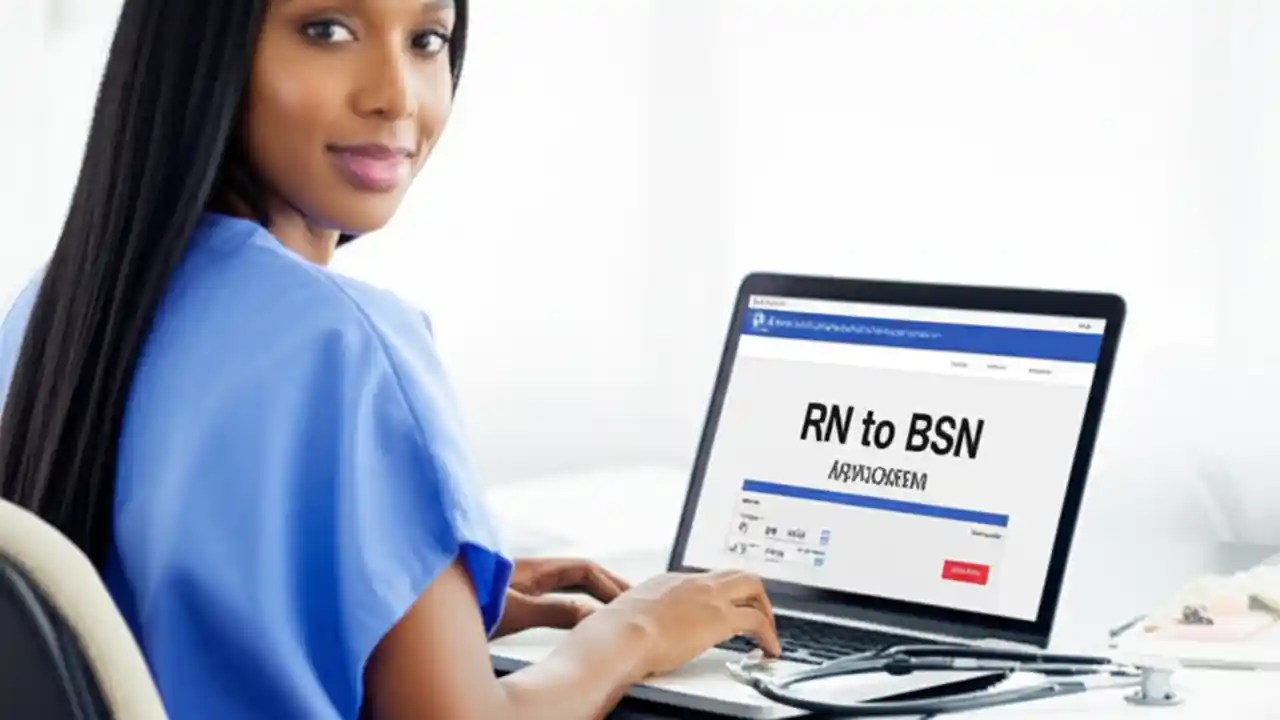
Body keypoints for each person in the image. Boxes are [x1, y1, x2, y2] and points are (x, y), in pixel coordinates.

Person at [0, 1, 780, 718]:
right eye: (327, 30)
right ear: (206, 47)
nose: (395, 95)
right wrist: (634, 632)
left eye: (427, 40)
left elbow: (151, 605)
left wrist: (432, 598)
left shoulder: (59, 308)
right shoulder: (345, 343)